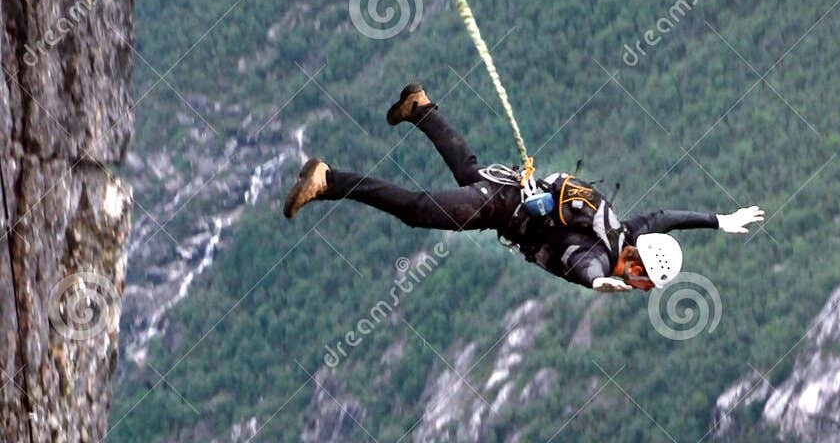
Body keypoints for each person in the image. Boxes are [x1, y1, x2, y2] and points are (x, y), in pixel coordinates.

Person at [282, 83, 763, 291]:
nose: (639, 288)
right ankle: (329, 180)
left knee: (467, 171)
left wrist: (718, 220)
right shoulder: (602, 256)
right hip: (498, 206)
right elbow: (581, 264)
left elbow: (664, 219)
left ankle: (420, 107)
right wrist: (596, 281)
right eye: (643, 281)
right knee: (416, 210)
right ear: (636, 265)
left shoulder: (624, 231)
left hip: (507, 191)